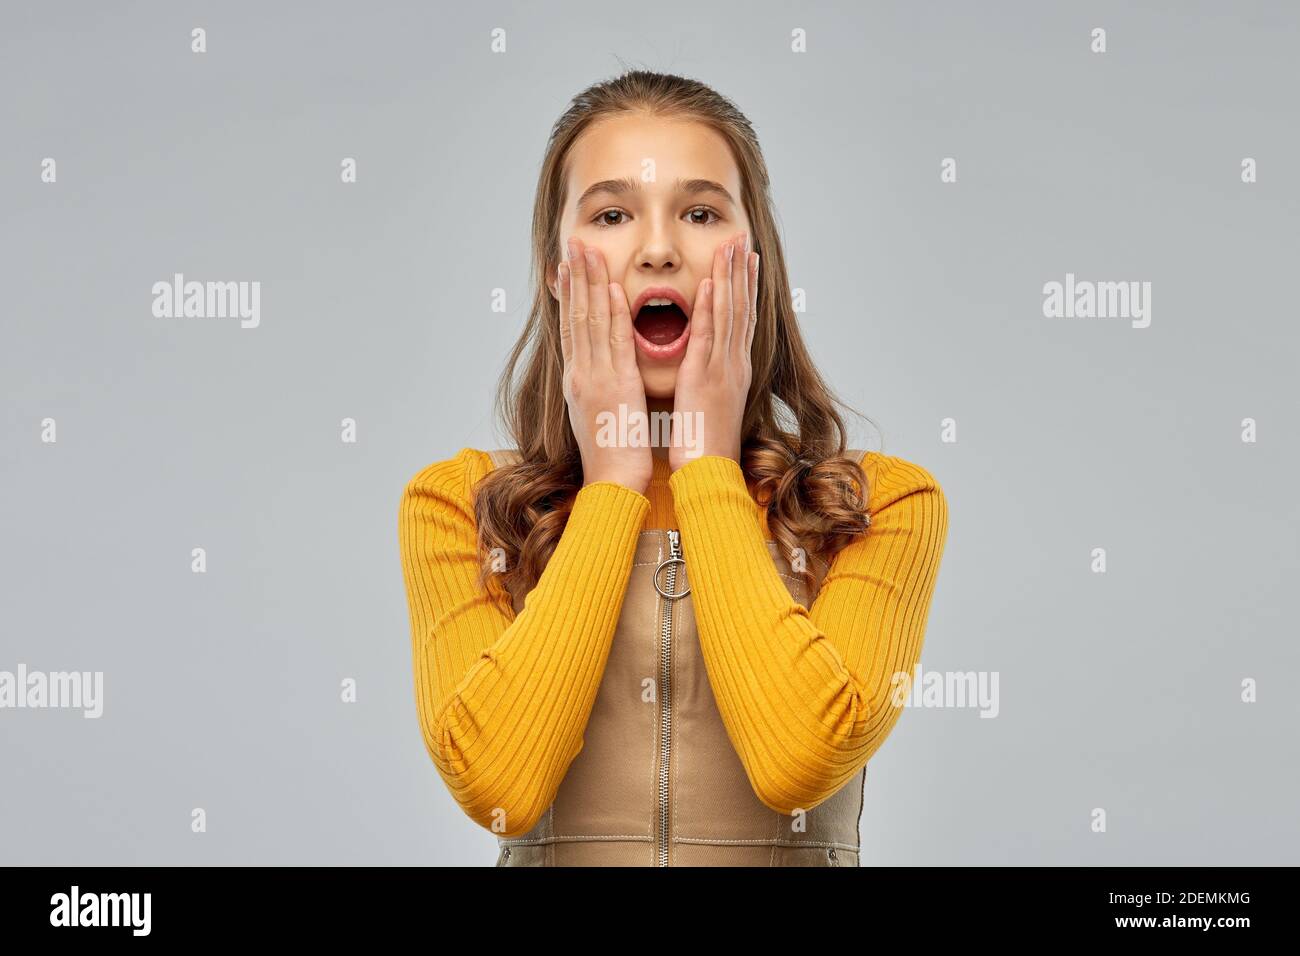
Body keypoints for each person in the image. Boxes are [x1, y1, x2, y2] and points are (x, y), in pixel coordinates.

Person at [398, 69, 949, 866]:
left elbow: (798, 760)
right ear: (557, 273)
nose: (658, 248)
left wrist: (704, 463)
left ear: (755, 263)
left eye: (699, 212)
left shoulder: (884, 505)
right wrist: (615, 480)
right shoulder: (457, 506)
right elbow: (500, 788)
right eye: (613, 214)